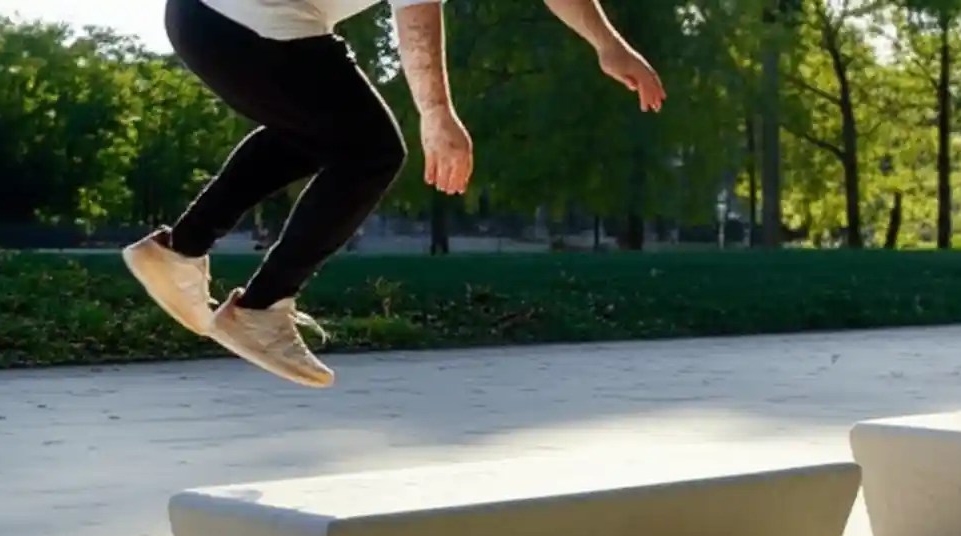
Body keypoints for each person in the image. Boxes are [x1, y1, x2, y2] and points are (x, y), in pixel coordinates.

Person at [123, 0, 665, 388]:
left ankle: (181, 248)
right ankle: (260, 308)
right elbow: (417, 14)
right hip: (252, 25)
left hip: (205, 19)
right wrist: (437, 114)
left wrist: (608, 45)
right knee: (372, 151)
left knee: (319, 134)